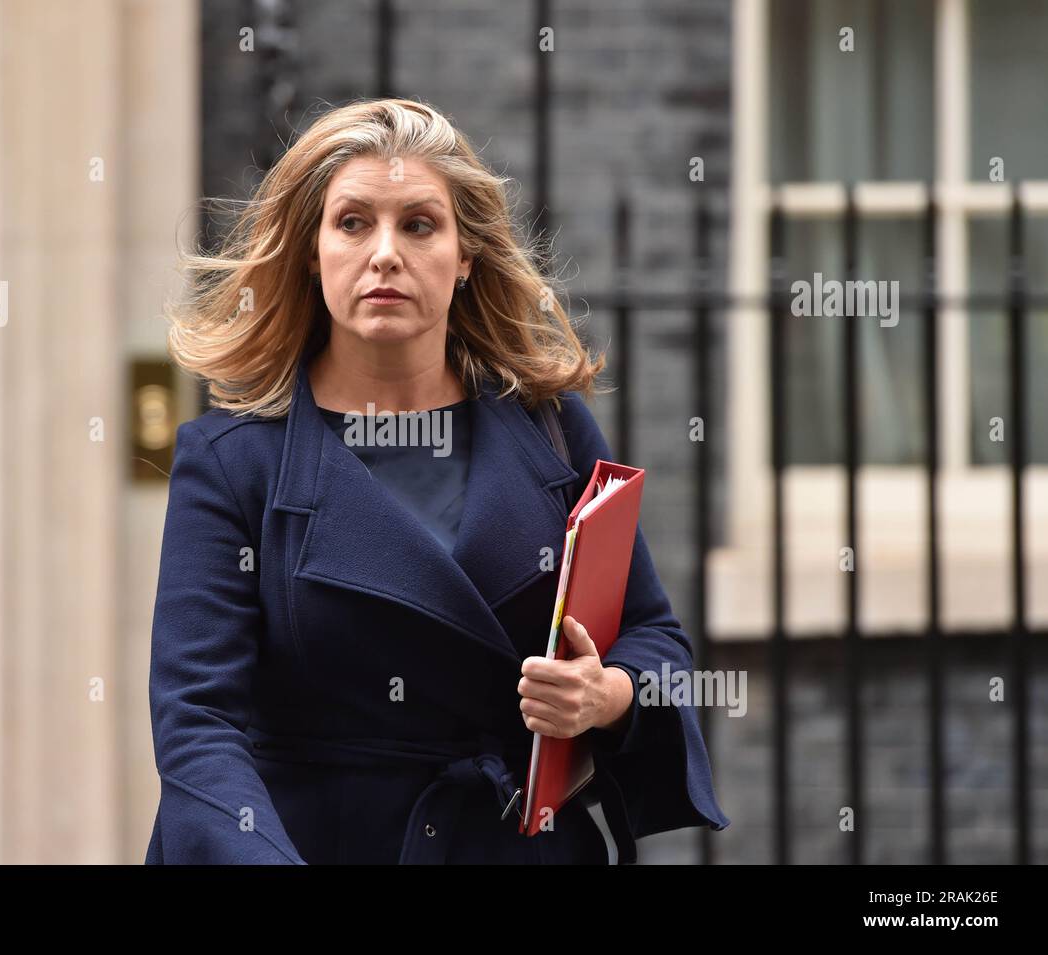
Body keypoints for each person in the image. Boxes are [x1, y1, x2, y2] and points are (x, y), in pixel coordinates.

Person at [145, 97, 728, 864]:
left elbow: (654, 640)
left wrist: (604, 695)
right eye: (352, 222)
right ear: (312, 252)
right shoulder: (232, 460)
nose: (385, 252)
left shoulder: (551, 430)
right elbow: (197, 726)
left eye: (419, 224)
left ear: (464, 258)